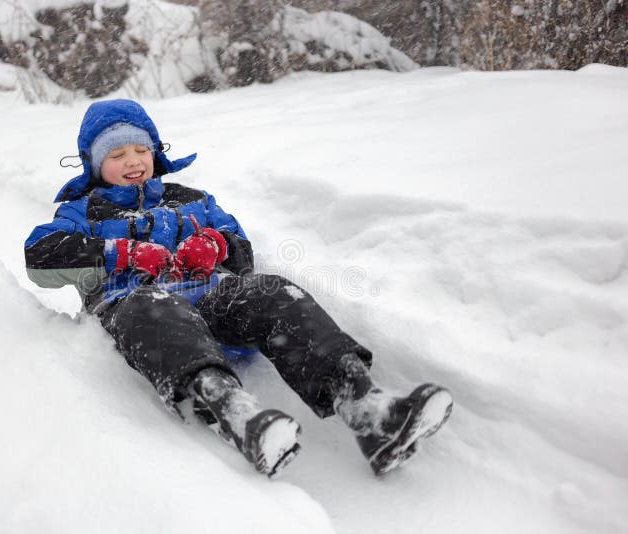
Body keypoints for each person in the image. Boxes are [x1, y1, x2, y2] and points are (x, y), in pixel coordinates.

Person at [24, 99, 453, 477]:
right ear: (95, 165)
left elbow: (240, 249)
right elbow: (40, 256)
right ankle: (237, 416)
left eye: (141, 149)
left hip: (208, 299)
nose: (133, 160)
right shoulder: (82, 212)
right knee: (153, 304)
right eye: (117, 154)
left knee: (270, 290)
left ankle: (368, 409)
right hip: (137, 313)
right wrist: (124, 253)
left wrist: (213, 244)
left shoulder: (191, 198)